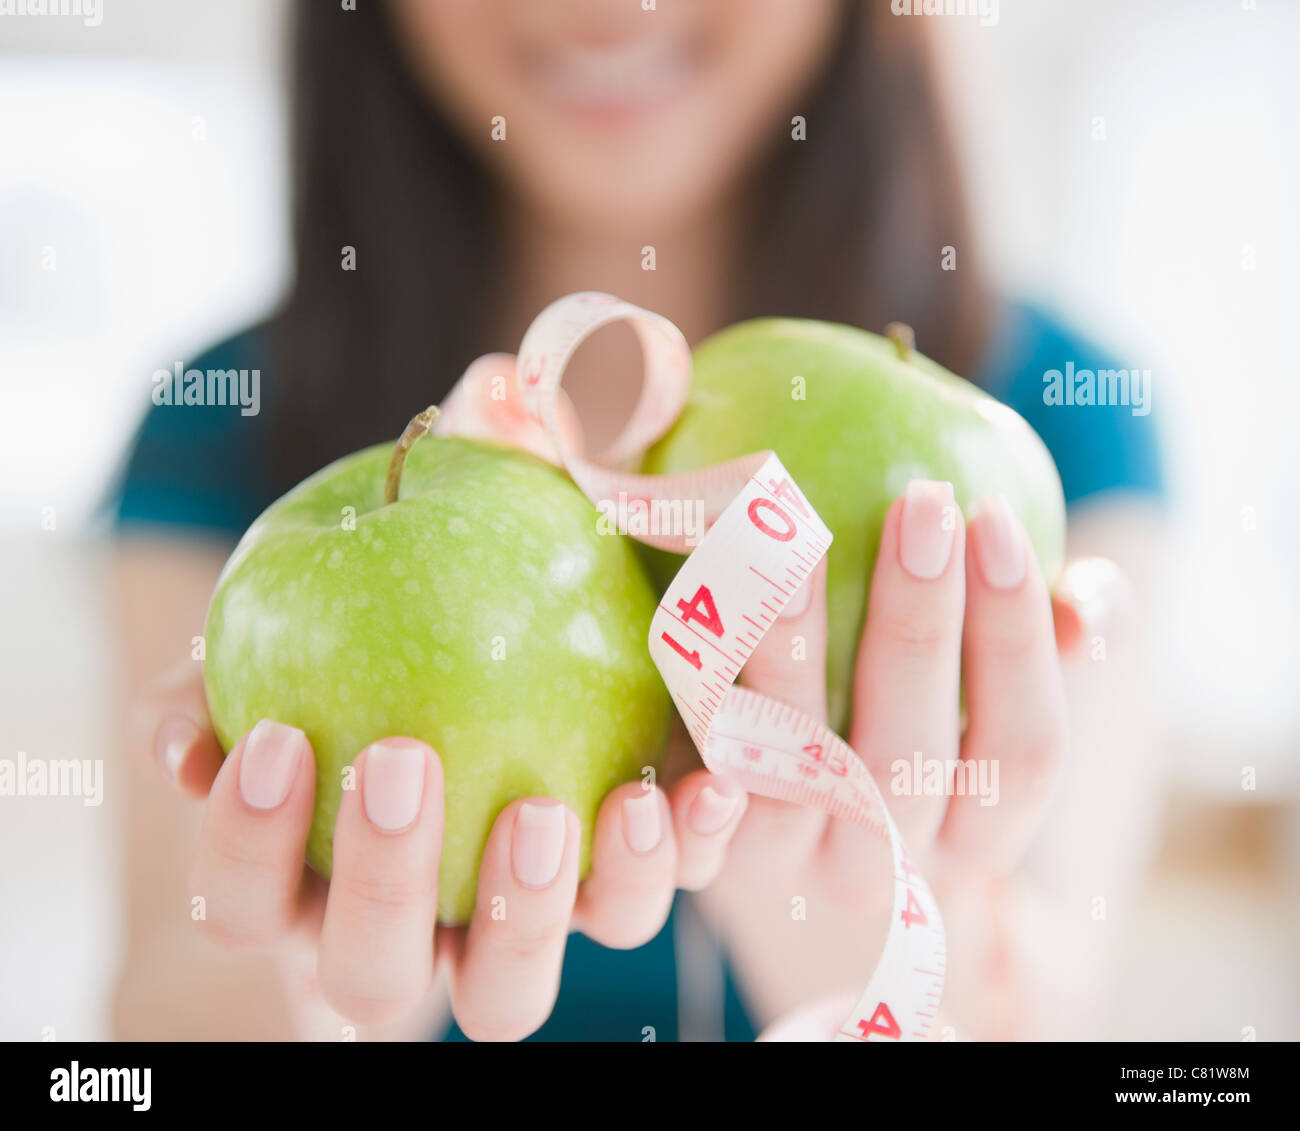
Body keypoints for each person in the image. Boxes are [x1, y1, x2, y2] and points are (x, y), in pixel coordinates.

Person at [112, 0, 1165, 1042]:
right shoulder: (216, 423)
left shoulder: (1062, 411)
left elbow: (1077, 1011)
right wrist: (303, 1009)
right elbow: (146, 1022)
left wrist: (851, 936)